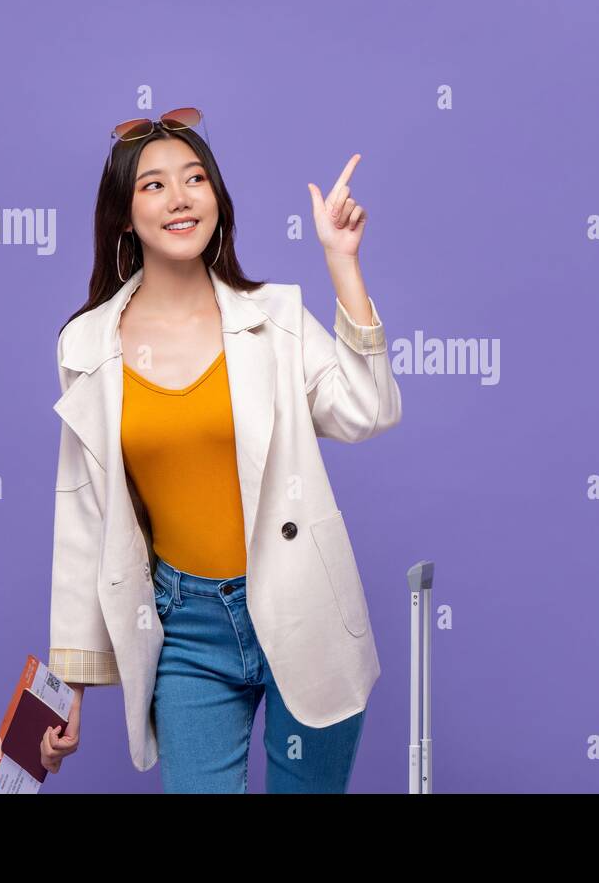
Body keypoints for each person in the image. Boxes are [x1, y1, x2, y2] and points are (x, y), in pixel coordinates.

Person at [38, 108, 402, 791]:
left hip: (303, 607)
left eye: (195, 178)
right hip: (184, 629)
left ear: (217, 199)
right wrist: (72, 688)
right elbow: (85, 520)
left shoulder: (277, 317)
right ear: (122, 214)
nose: (180, 197)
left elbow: (369, 410)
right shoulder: (87, 347)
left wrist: (342, 265)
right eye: (153, 185)